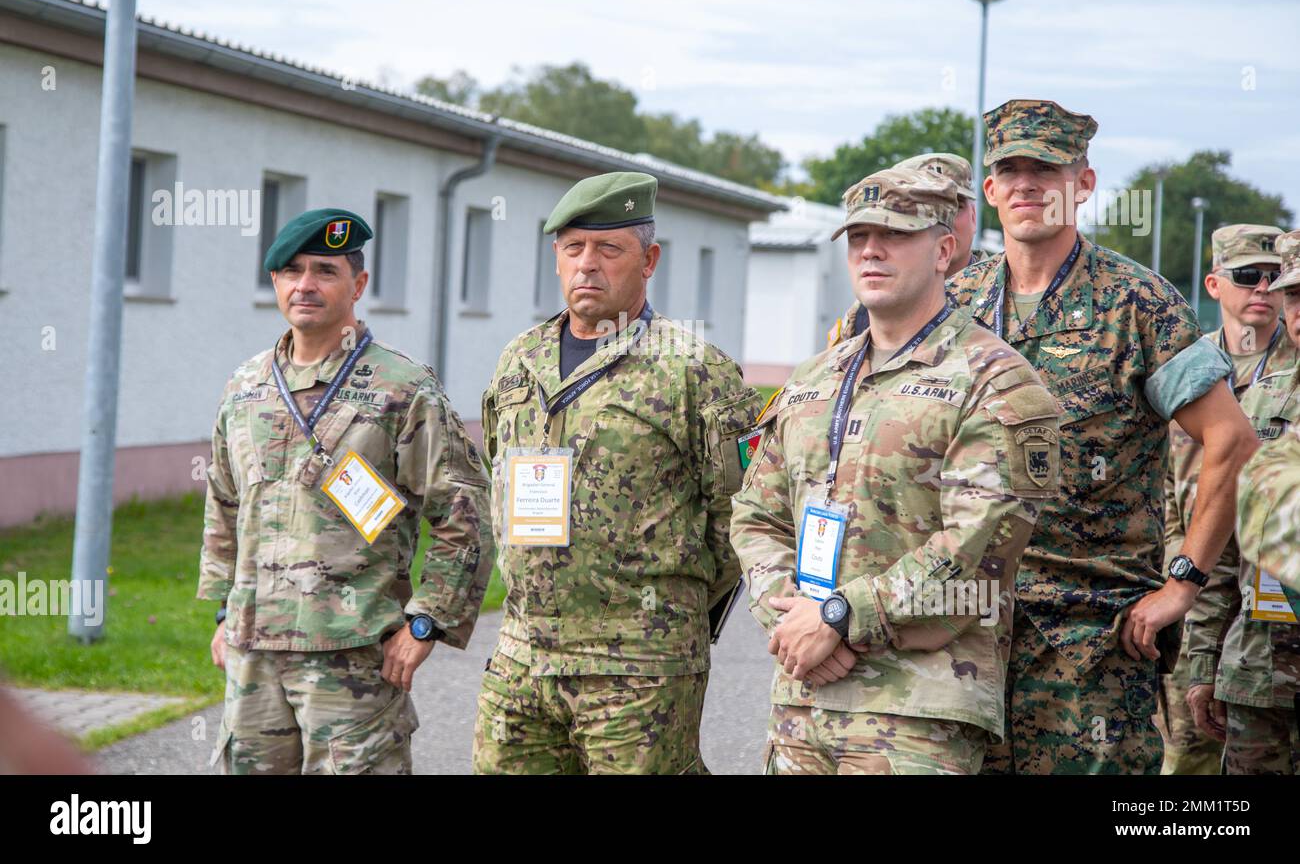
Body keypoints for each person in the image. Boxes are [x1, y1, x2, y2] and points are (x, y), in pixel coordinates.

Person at [946, 99, 1259, 774]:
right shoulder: (954, 305)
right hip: (964, 633)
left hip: (1087, 642)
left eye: (1047, 170)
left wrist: (1184, 583)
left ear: (1083, 185)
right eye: (1012, 170)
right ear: (991, 189)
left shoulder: (1137, 303)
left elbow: (1231, 441)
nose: (1028, 185)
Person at [731, 167, 1060, 774]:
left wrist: (839, 616)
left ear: (943, 251)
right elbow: (755, 512)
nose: (871, 250)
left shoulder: (998, 381)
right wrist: (790, 614)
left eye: (895, 234)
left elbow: (976, 551)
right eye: (858, 237)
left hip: (918, 710)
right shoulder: (814, 378)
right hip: (804, 696)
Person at [472, 171, 761, 774]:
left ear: (649, 260)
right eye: (573, 248)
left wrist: (665, 606)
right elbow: (496, 468)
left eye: (609, 249)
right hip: (524, 654)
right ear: (556, 256)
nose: (587, 265)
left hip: (640, 663)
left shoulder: (696, 372)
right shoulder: (518, 359)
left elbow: (737, 520)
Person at [198, 207, 494, 774]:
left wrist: (428, 620)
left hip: (354, 662)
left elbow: (464, 512)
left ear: (358, 284)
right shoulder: (247, 387)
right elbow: (224, 500)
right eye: (292, 271)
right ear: (276, 282)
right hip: (254, 660)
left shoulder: (402, 388)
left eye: (324, 271)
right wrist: (222, 613)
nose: (304, 285)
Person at [1162, 225, 1295, 774]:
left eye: (1274, 279)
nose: (1262, 289)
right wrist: (1201, 657)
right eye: (1248, 277)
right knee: (1190, 765)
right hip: (1231, 630)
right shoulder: (1190, 372)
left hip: (1249, 632)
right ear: (1215, 284)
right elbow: (1194, 517)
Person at [824, 152, 981, 349]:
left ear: (973, 216)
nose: (942, 220)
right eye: (922, 209)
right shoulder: (864, 313)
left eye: (954, 207)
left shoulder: (1001, 295)